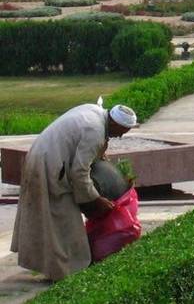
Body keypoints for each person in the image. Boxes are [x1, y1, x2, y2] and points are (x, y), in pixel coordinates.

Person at [11, 103, 138, 280]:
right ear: (116, 124)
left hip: (42, 156)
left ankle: (55, 268)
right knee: (65, 224)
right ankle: (67, 273)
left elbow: (79, 148)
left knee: (51, 220)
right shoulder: (95, 131)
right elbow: (79, 172)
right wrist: (95, 199)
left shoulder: (95, 111)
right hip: (49, 165)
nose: (121, 136)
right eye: (123, 131)